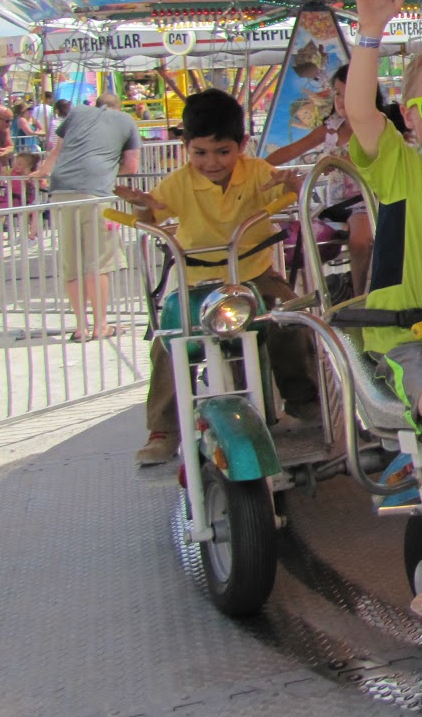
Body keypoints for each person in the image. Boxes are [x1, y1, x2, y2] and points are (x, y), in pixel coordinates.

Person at [114, 89, 322, 465]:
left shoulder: (257, 172)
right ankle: (164, 428)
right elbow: (152, 218)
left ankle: (303, 398)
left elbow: (293, 192)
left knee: (290, 319)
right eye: (200, 153)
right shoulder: (178, 183)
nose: (211, 162)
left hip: (253, 274)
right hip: (196, 282)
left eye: (223, 152)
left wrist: (294, 187)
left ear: (241, 145)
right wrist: (142, 209)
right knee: (170, 340)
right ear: (186, 147)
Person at [34, 96, 141, 342]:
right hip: (95, 193)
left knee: (72, 261)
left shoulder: (77, 112)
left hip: (61, 190)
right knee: (98, 261)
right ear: (118, 106)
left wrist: (42, 172)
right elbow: (131, 166)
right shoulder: (126, 120)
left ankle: (81, 326)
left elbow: (57, 151)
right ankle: (100, 325)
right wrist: (108, 170)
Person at [265, 64, 376, 295]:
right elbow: (293, 149)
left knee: (360, 240)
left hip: (364, 202)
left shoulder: (377, 128)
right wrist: (259, 167)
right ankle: (314, 294)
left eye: (349, 95)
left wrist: (335, 162)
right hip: (332, 203)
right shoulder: (331, 128)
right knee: (297, 238)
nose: (341, 101)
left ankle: (360, 295)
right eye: (338, 94)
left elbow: (368, 159)